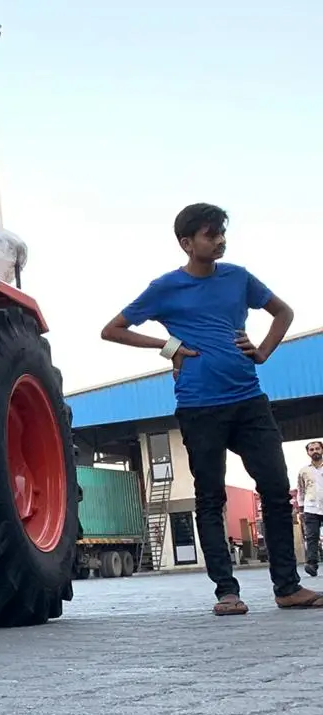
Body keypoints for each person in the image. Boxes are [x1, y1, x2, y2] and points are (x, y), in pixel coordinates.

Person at [101, 202, 322, 615]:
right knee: (209, 497)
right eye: (209, 235)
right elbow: (112, 329)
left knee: (275, 488)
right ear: (187, 243)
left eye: (221, 233)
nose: (219, 241)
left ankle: (288, 587)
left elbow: (283, 312)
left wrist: (263, 352)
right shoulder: (165, 287)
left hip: (249, 400)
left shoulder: (238, 278)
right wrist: (169, 348)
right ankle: (226, 591)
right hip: (200, 407)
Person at [296, 440, 323, 577]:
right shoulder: (304, 471)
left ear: (322, 450)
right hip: (311, 508)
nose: (315, 451)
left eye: (317, 448)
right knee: (312, 537)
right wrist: (301, 510)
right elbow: (300, 491)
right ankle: (312, 564)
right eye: (311, 450)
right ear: (308, 453)